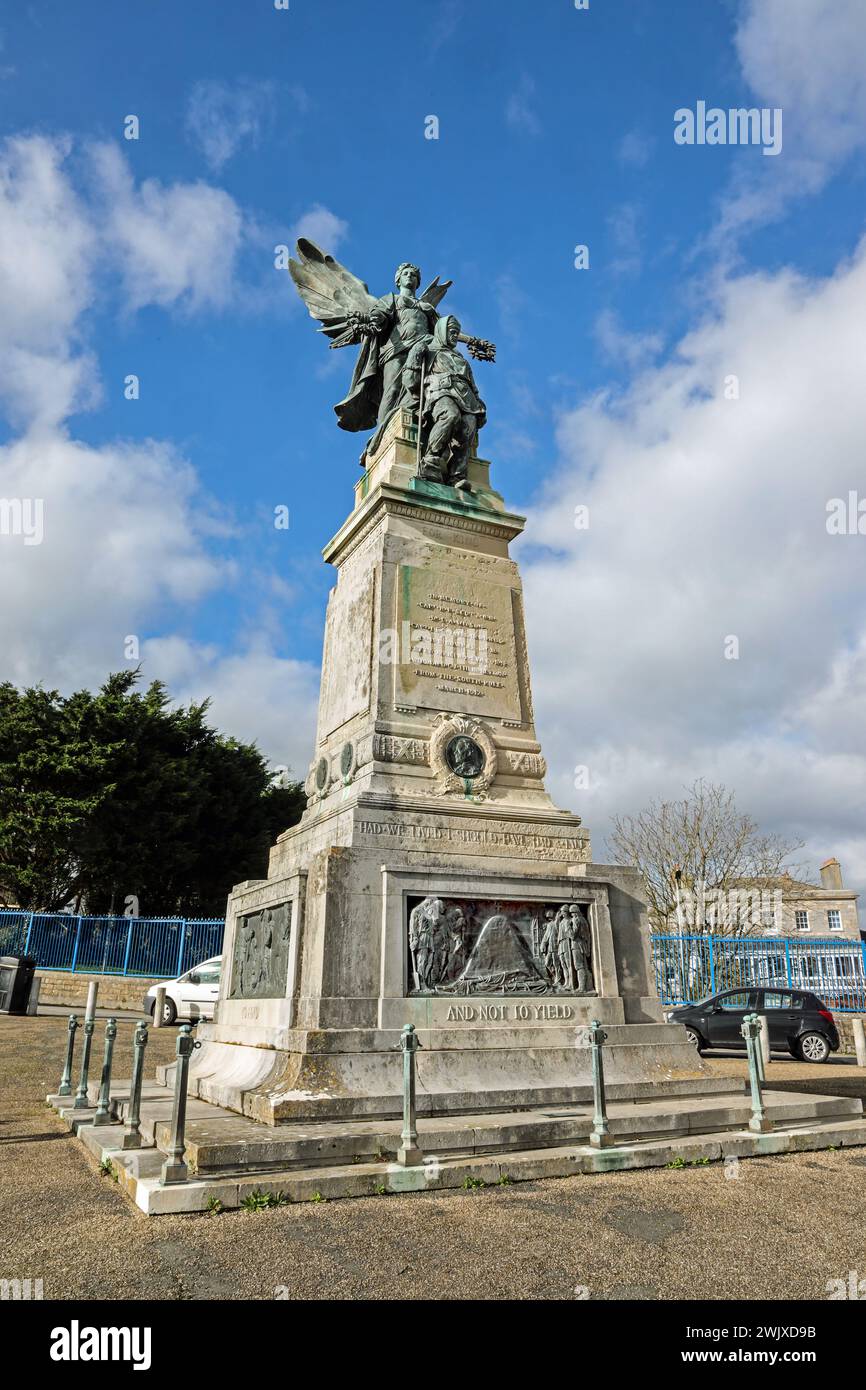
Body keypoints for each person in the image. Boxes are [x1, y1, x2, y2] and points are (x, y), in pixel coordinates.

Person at [402, 315, 486, 489]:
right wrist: (415, 357)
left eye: (457, 332)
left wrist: (479, 402)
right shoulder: (429, 350)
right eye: (452, 332)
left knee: (469, 426)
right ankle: (430, 461)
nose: (455, 336)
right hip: (439, 392)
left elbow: (472, 385)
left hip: (466, 397)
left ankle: (457, 475)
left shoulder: (461, 360)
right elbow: (410, 381)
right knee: (450, 415)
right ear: (442, 331)